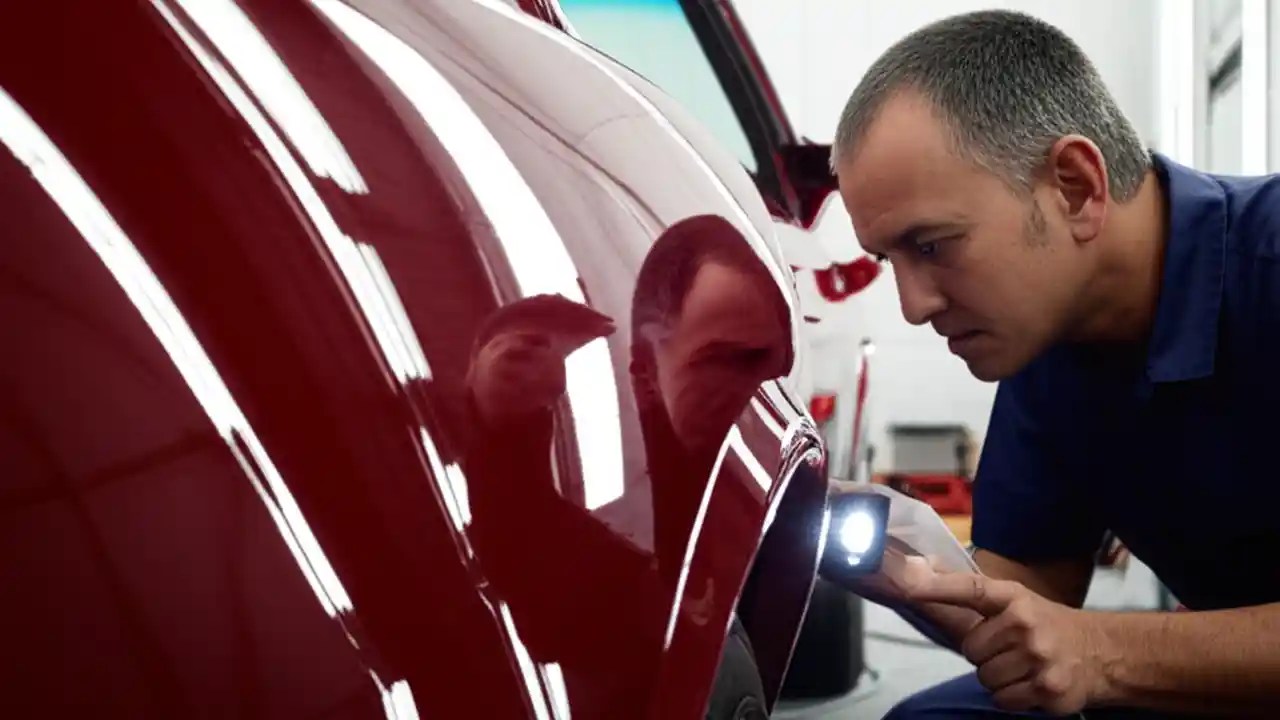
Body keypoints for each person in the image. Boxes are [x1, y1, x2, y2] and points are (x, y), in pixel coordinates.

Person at [830, 9, 1280, 719]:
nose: (912, 306)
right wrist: (879, 559)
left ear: (1075, 186)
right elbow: (1030, 594)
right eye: (889, 259)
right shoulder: (1053, 341)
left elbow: (1086, 647)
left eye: (933, 245)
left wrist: (1104, 651)